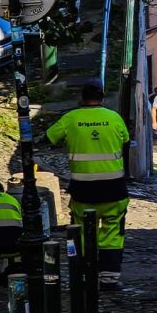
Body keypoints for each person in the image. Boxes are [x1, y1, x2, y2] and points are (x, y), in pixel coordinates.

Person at [46, 79, 130, 290]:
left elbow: (49, 138)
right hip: (114, 189)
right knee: (112, 232)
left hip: (83, 190)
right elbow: (126, 141)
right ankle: (109, 278)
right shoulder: (114, 118)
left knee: (81, 232)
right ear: (102, 97)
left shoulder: (71, 119)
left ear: (81, 98)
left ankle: (83, 275)